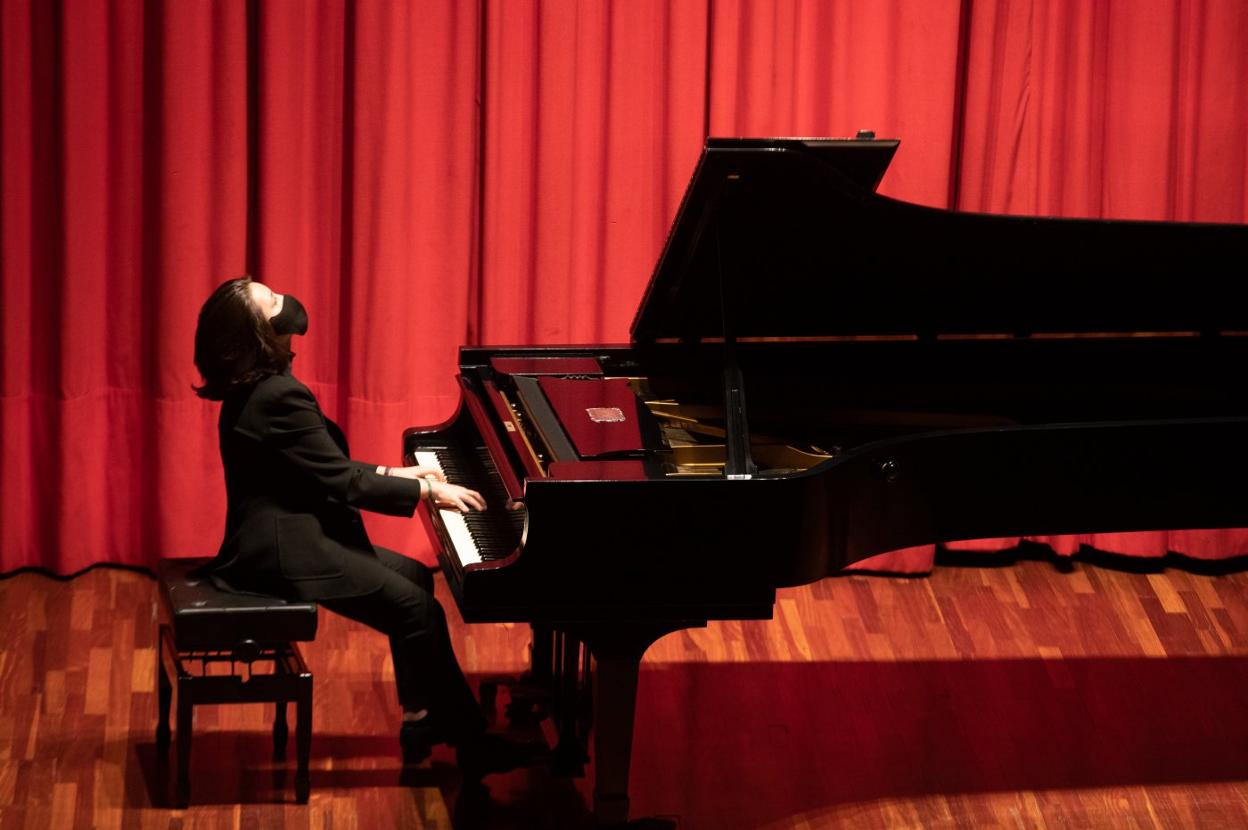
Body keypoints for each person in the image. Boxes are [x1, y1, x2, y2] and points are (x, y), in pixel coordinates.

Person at [191, 275, 524, 777]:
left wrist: (398, 474)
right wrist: (427, 489)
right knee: (415, 608)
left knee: (414, 580)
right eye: (273, 304)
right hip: (281, 549)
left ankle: (424, 720)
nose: (287, 304)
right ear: (258, 337)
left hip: (285, 531)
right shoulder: (277, 396)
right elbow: (342, 482)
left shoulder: (260, 390)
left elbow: (321, 467)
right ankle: (463, 737)